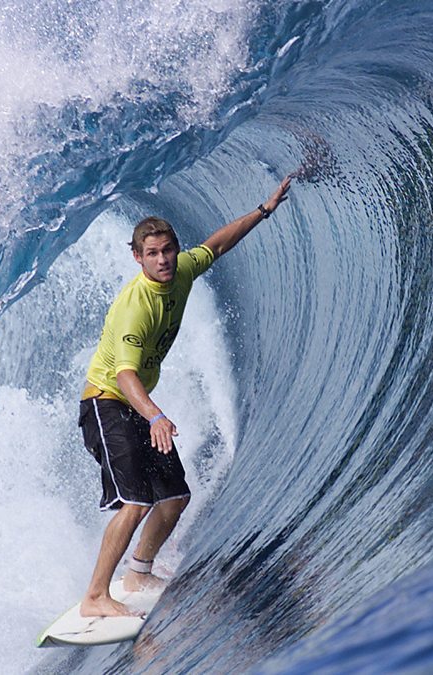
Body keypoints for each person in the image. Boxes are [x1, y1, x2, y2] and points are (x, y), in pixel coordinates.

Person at [77, 175, 293, 617]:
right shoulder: (137, 306)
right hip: (106, 402)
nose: (163, 260)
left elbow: (216, 245)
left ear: (176, 249)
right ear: (137, 258)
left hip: (135, 405)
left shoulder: (183, 271)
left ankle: (138, 570)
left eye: (168, 250)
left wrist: (264, 210)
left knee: (174, 497)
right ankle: (95, 596)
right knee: (137, 501)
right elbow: (124, 373)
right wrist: (155, 415)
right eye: (152, 254)